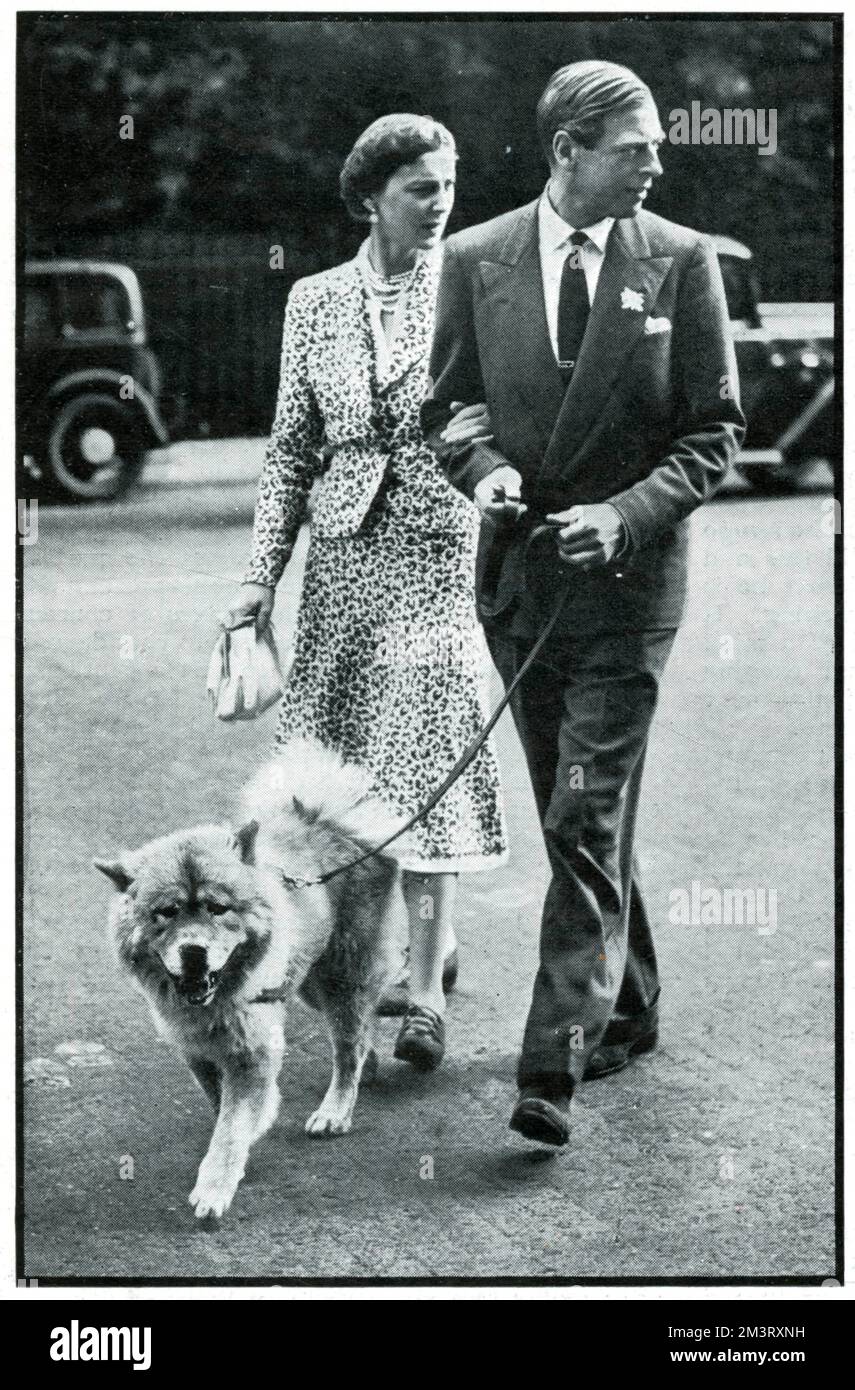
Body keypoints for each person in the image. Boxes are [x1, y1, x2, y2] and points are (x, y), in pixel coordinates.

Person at [423, 61, 745, 1144]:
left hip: (629, 587)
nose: (657, 163)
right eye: (635, 145)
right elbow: (449, 404)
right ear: (569, 150)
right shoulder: (475, 259)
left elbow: (715, 431)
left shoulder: (681, 261)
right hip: (519, 586)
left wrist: (626, 513)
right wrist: (487, 475)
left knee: (580, 811)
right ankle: (635, 1001)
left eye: (657, 147)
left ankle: (549, 1066)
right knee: (585, 815)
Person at [225, 113, 508, 1073]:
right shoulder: (315, 300)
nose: (440, 204)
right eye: (420, 188)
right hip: (342, 559)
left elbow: (499, 411)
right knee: (335, 775)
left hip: (438, 545)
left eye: (449, 185)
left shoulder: (473, 279)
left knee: (425, 759)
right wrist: (260, 578)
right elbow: (291, 450)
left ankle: (422, 992)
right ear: (371, 197)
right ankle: (387, 949)